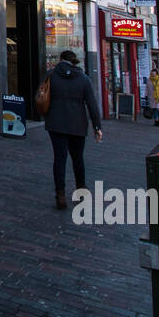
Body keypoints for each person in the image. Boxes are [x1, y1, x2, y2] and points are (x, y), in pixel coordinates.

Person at [44, 50, 103, 209]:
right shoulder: (83, 79)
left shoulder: (51, 75)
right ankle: (81, 189)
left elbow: (41, 95)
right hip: (77, 123)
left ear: (61, 59)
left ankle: (60, 194)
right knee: (77, 158)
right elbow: (92, 105)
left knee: (59, 158)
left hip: (55, 123)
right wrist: (97, 126)